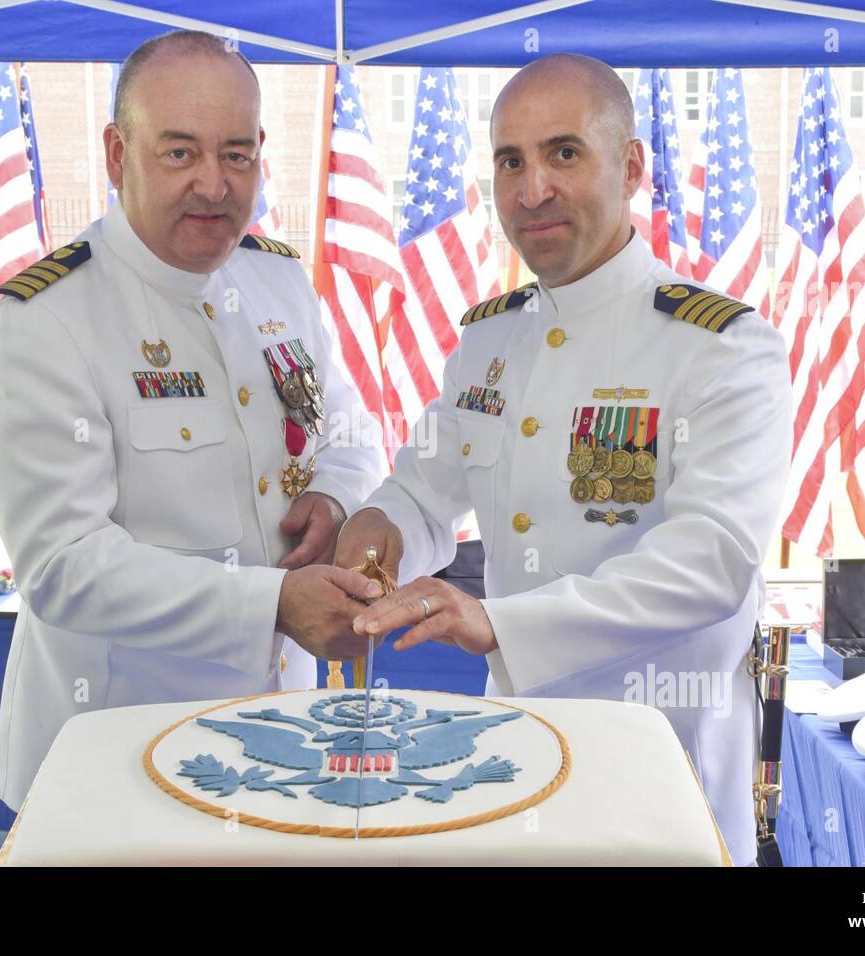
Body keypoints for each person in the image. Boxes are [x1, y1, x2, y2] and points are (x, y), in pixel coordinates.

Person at [334, 54, 791, 865]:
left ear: (633, 166)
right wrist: (379, 522)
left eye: (563, 153)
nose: (530, 189)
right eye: (511, 160)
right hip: (519, 766)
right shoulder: (491, 338)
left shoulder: (719, 346)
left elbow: (711, 561)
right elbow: (427, 483)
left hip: (663, 776)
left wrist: (498, 621)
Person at [0, 31, 384, 811]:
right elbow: (64, 565)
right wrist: (271, 604)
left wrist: (333, 498)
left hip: (277, 743)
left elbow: (350, 431)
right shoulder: (50, 317)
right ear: (116, 153)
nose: (213, 185)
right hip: (114, 764)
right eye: (179, 153)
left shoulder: (277, 280)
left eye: (236, 155)